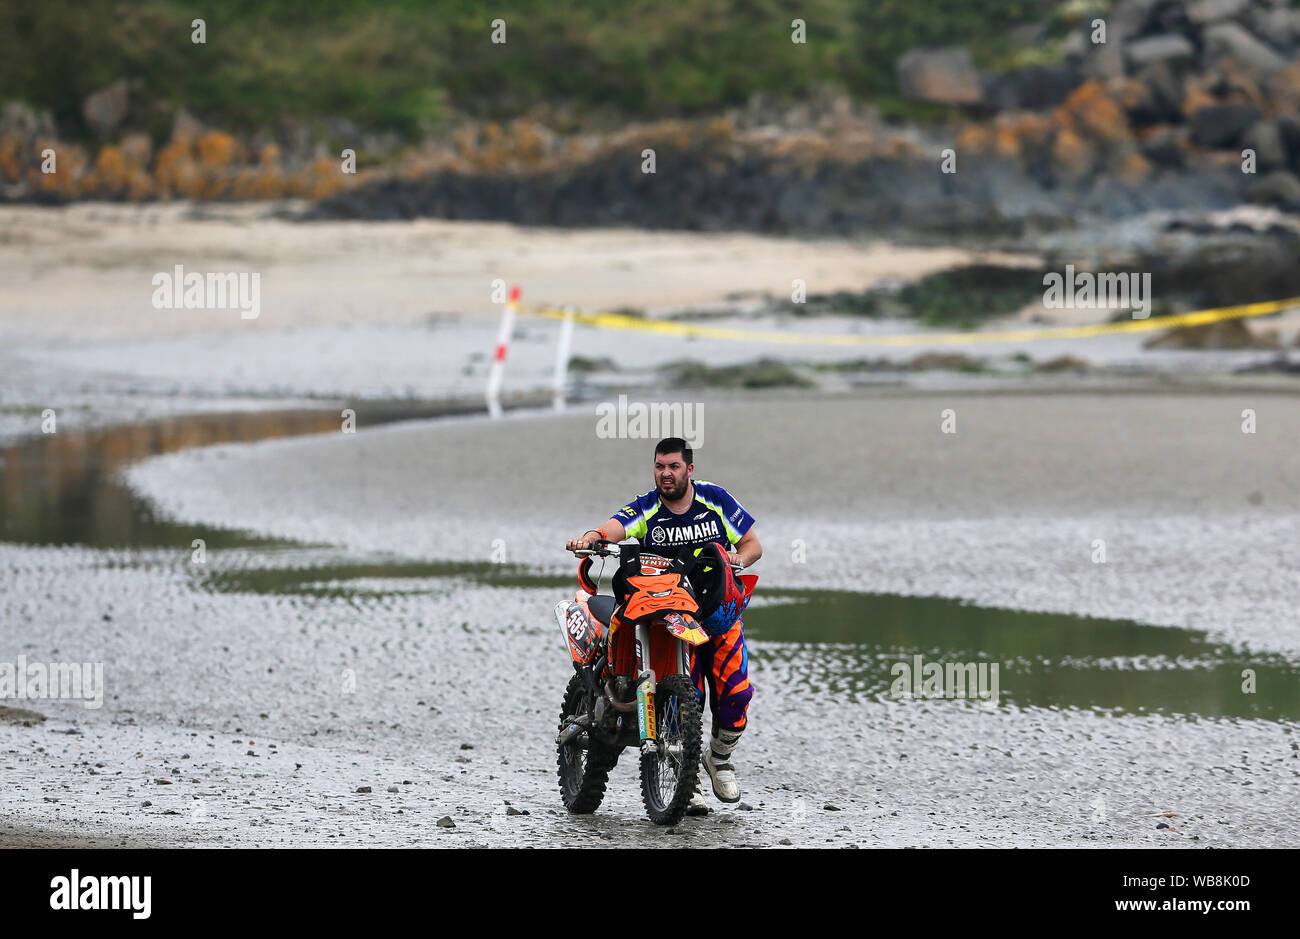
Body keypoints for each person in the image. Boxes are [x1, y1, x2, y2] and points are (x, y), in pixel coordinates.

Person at [566, 437, 762, 809]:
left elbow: (753, 544)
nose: (666, 474)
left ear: (690, 469)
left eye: (673, 467)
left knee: (735, 693)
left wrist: (735, 560)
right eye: (660, 467)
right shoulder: (647, 506)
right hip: (667, 614)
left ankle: (718, 759)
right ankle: (686, 783)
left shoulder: (715, 499)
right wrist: (591, 537)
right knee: (688, 696)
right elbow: (614, 527)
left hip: (716, 613)